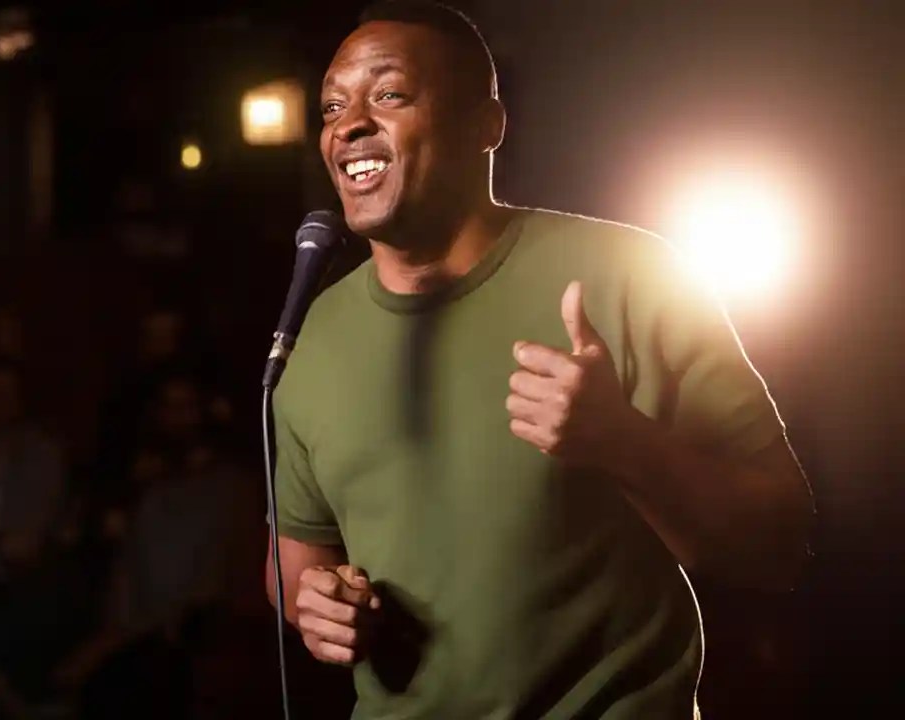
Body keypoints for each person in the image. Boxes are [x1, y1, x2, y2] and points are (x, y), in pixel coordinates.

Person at [265, 2, 814, 718]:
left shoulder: (630, 275)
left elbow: (780, 543)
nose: (349, 123)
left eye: (389, 93)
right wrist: (314, 606)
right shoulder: (317, 335)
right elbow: (292, 557)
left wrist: (625, 444)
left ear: (486, 125)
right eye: (333, 105)